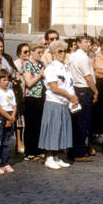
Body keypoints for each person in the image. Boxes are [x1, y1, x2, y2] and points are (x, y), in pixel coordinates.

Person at [39, 40, 76, 169]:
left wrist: (73, 97)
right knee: (52, 129)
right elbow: (54, 88)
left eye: (64, 51)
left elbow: (69, 84)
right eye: (59, 51)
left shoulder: (65, 68)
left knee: (60, 129)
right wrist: (70, 96)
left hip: (64, 103)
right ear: (53, 53)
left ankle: (55, 156)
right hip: (54, 102)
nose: (62, 54)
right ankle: (49, 157)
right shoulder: (51, 68)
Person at [68, 35, 97, 162]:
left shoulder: (73, 55)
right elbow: (88, 77)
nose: (88, 44)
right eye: (85, 42)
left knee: (76, 122)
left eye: (89, 42)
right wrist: (95, 91)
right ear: (78, 43)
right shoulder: (82, 57)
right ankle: (79, 152)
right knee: (83, 122)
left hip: (77, 89)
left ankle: (73, 150)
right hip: (84, 90)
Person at [0, 69, 17, 173]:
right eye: (3, 80)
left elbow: (14, 105)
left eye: (7, 80)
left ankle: (5, 162)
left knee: (6, 142)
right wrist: (9, 118)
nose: (6, 82)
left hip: (10, 115)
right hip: (1, 117)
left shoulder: (10, 91)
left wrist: (12, 117)